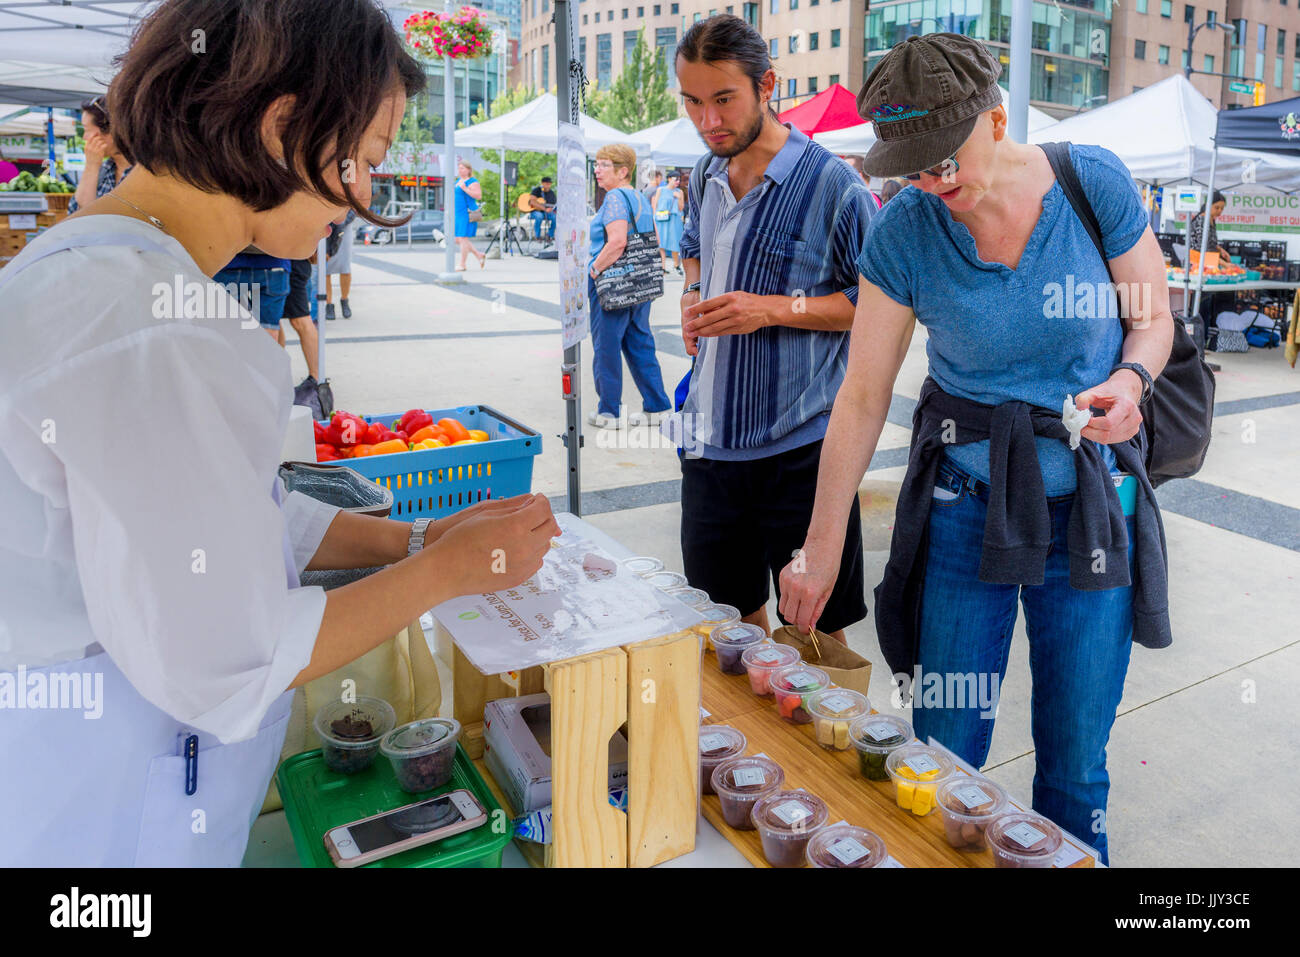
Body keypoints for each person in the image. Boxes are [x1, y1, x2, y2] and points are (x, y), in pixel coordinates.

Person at [0, 0, 559, 867]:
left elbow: (232, 518)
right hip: (102, 812)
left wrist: (414, 533)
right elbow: (235, 649)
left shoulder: (97, 268)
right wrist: (445, 567)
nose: (363, 197)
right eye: (366, 162)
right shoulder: (158, 328)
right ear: (284, 123)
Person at [777, 34, 1175, 866]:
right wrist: (817, 553)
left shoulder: (1088, 182)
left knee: (1074, 763)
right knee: (943, 752)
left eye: (945, 161)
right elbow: (861, 395)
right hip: (964, 511)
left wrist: (1132, 381)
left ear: (997, 118)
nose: (934, 184)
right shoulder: (906, 231)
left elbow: (1153, 315)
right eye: (914, 169)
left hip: (1089, 510)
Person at [675, 15, 877, 643]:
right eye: (693, 103)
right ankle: (750, 745)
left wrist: (770, 309)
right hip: (709, 446)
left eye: (724, 99)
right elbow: (692, 247)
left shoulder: (834, 183)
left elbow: (876, 305)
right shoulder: (704, 174)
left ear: (768, 86)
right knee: (728, 625)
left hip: (802, 451)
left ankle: (829, 742)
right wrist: (690, 291)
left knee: (815, 631)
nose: (709, 120)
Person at [587, 143, 672, 430]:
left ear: (623, 171)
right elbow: (653, 238)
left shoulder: (613, 198)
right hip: (640, 283)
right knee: (640, 343)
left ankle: (609, 412)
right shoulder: (639, 197)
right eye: (596, 164)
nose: (597, 170)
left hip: (614, 282)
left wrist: (595, 268)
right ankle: (657, 406)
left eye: (603, 165)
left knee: (607, 345)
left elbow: (618, 241)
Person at [68, 95, 133, 214]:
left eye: (87, 130)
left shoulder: (145, 172)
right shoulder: (103, 170)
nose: (84, 137)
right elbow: (78, 215)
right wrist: (91, 166)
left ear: (110, 130)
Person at [453, 160, 485, 270]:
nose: (460, 170)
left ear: (468, 170)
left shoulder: (472, 181)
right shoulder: (458, 180)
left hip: (466, 213)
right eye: (459, 168)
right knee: (458, 239)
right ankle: (478, 254)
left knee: (462, 238)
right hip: (458, 213)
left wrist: (465, 189)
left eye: (462, 168)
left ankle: (462, 264)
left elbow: (478, 196)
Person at [325, 209, 356, 319]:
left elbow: (357, 205)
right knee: (325, 268)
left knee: (345, 267)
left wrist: (342, 221)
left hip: (344, 226)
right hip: (326, 223)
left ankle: (344, 300)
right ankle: (328, 304)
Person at [653, 171, 686, 274]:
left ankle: (676, 264)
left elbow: (681, 208)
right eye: (675, 179)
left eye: (679, 179)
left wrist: (679, 198)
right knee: (661, 243)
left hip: (674, 220)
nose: (678, 181)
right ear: (669, 179)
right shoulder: (660, 190)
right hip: (662, 220)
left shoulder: (679, 192)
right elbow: (655, 205)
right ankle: (662, 267)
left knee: (675, 242)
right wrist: (655, 217)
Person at [1188, 190, 1231, 262]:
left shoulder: (1212, 220)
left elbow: (1211, 243)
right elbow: (1203, 248)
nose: (1220, 211)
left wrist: (1221, 250)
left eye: (1222, 208)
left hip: (1210, 261)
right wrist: (1224, 263)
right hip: (1197, 262)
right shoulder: (1201, 221)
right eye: (1217, 208)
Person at [528, 175, 557, 240]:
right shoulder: (537, 190)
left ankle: (549, 235)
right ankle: (537, 236)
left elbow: (553, 205)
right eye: (546, 184)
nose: (548, 185)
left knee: (555, 217)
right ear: (542, 183)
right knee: (539, 216)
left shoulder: (552, 193)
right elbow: (532, 202)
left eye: (549, 184)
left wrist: (550, 209)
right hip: (535, 211)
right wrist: (544, 208)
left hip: (546, 212)